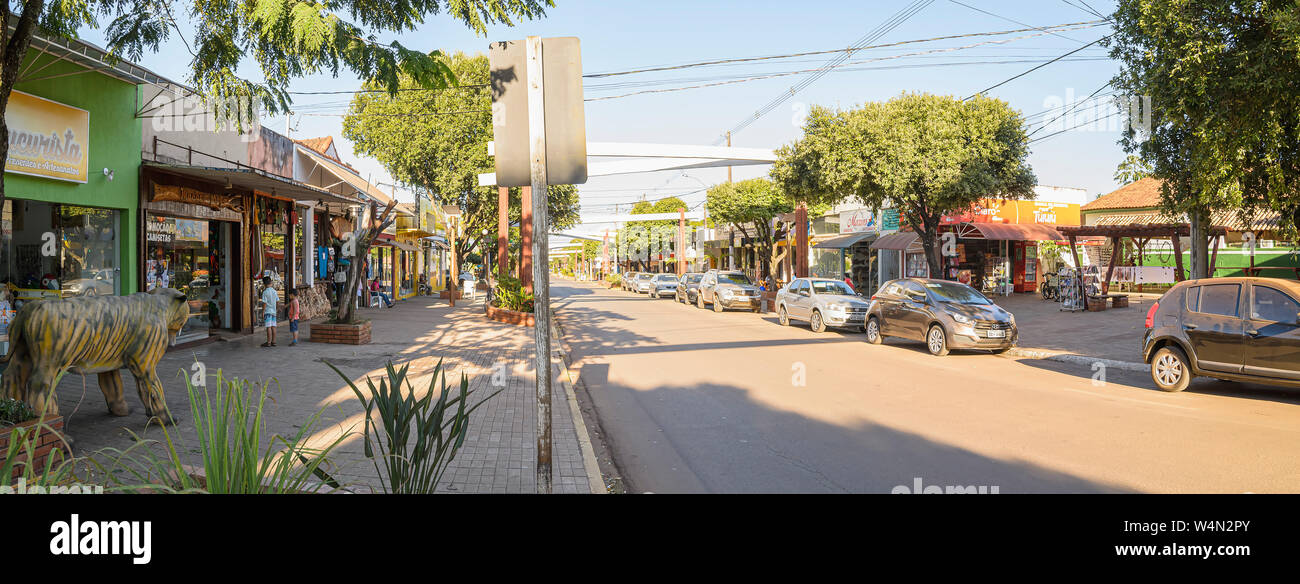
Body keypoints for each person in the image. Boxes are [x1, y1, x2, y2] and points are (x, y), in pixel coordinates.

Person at [260, 275, 278, 347]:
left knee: (268, 327)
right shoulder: (274, 291)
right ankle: (274, 341)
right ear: (271, 282)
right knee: (273, 326)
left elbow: (264, 303)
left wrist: (263, 312)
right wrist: (276, 308)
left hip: (267, 311)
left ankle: (268, 342)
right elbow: (277, 301)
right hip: (273, 312)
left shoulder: (265, 292)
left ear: (264, 284)